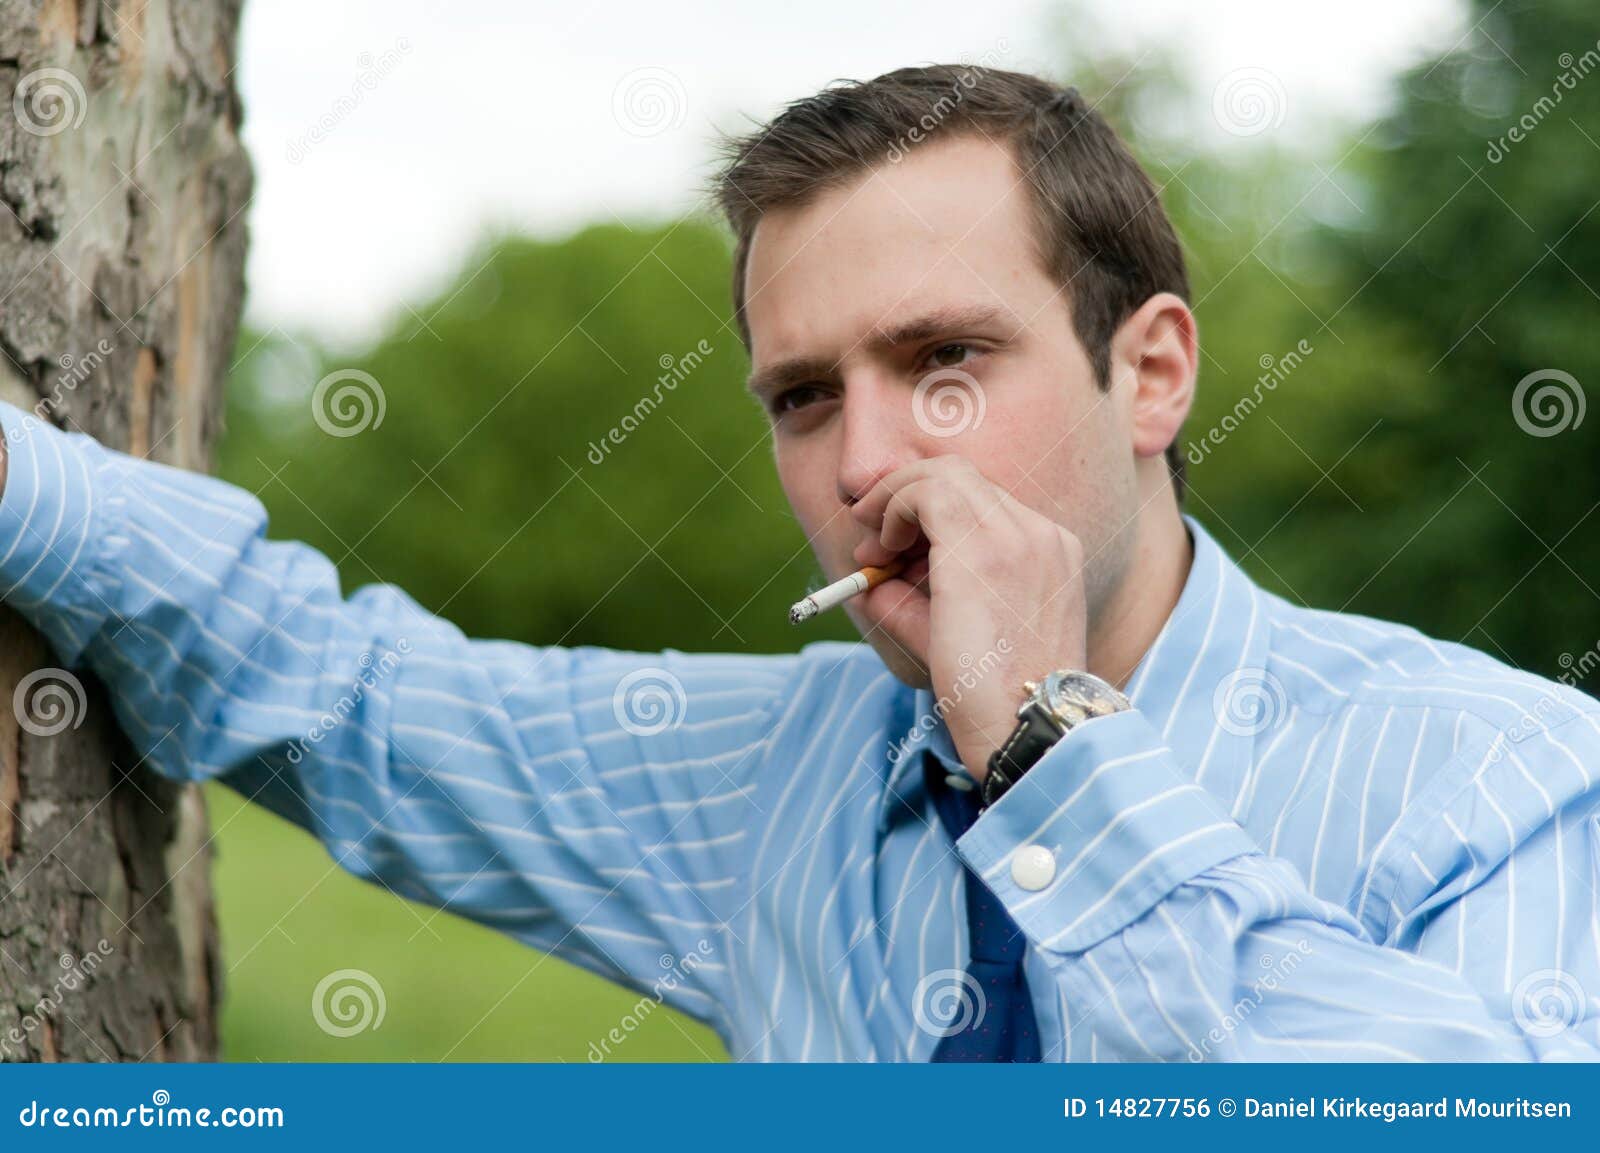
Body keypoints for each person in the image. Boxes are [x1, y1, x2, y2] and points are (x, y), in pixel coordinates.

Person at [2, 65, 1597, 1062]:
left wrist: (1046, 740)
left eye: (947, 360)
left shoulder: (1507, 778)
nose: (863, 464)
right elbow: (345, 692)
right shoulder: (779, 781)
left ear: (1154, 372)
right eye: (805, 396)